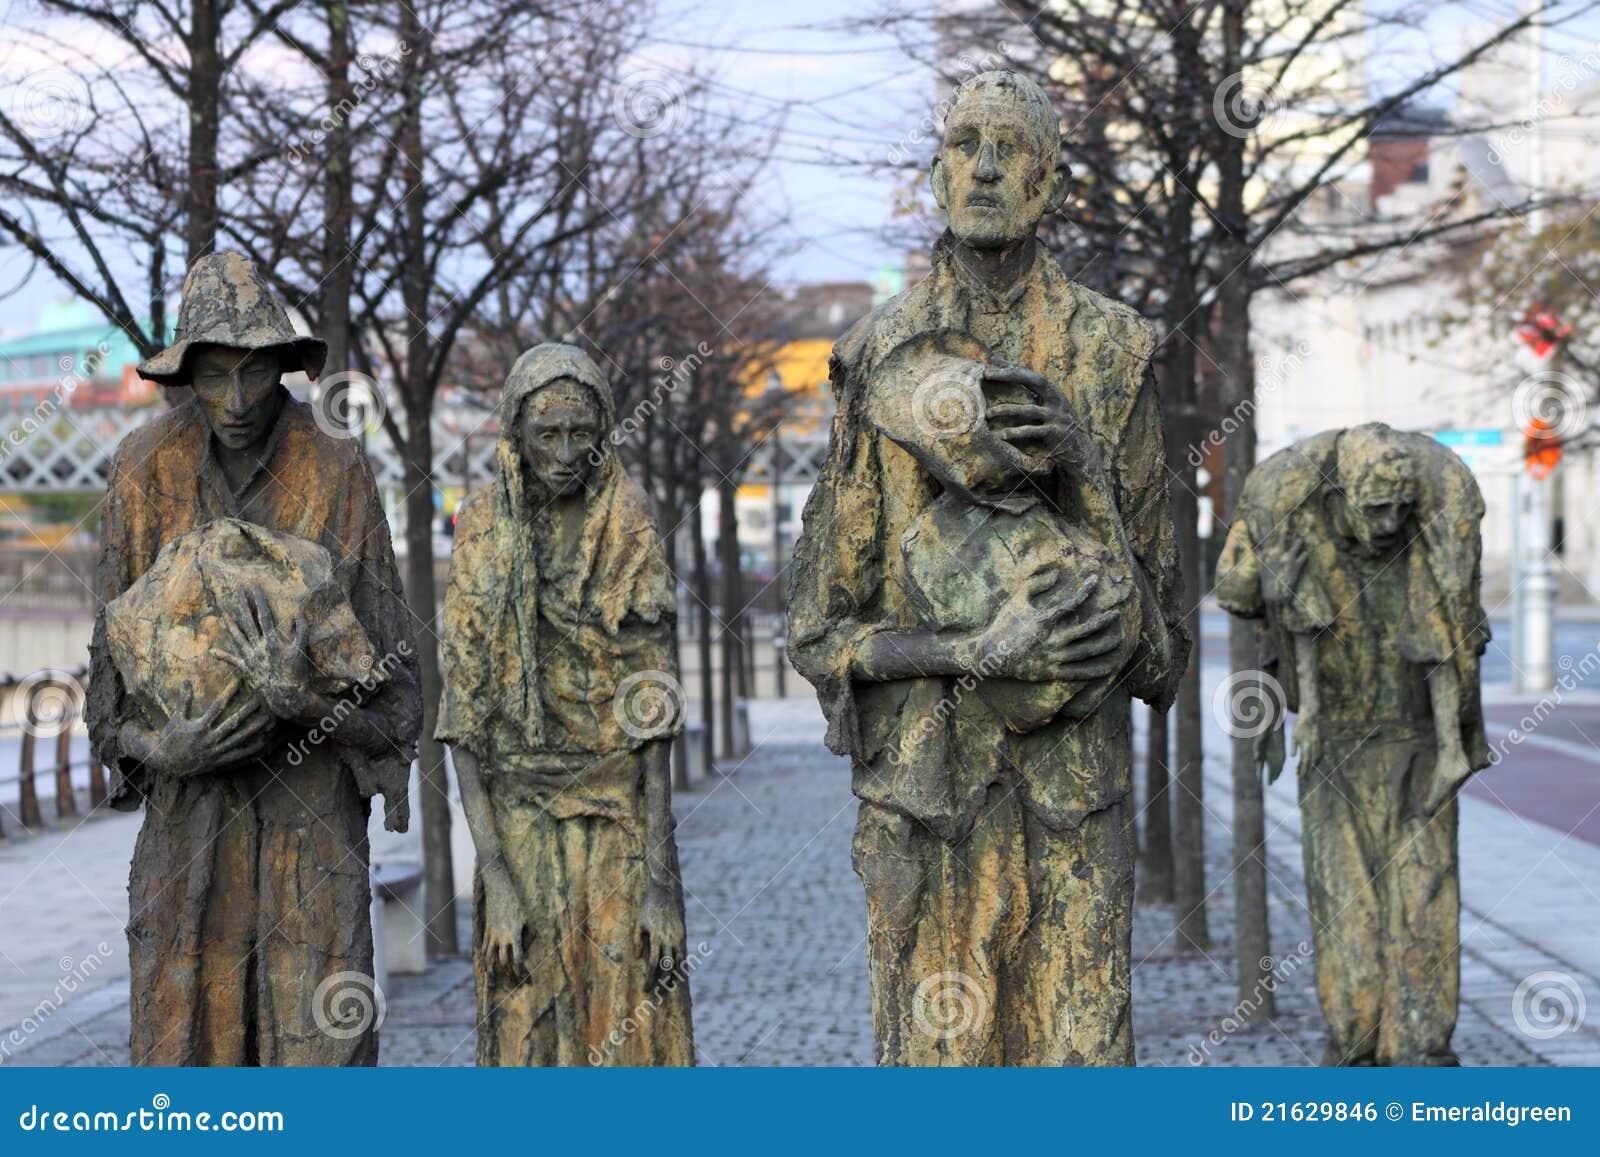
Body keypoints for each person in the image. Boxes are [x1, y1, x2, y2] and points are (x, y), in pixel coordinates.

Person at [788, 70, 1188, 1065]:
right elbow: (822, 632)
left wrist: (1082, 470)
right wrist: (971, 652)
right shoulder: (877, 355)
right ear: (937, 176)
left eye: (1012, 148)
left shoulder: (1115, 350)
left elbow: (1163, 658)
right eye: (965, 144)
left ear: (1051, 182)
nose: (987, 168)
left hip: (1074, 800)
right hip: (925, 800)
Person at [85, 252, 420, 1066]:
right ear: (186, 375)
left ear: (283, 367)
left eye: (256, 373)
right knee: (183, 1058)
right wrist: (164, 748)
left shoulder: (336, 466)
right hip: (187, 828)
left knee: (321, 1051)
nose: (236, 402)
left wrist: (306, 703)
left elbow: (398, 696)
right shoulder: (143, 468)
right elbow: (106, 690)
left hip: (311, 820)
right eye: (213, 376)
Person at [437, 343, 693, 1067]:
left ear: (603, 431)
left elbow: (653, 707)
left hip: (619, 813)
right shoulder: (483, 525)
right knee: (526, 1023)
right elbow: (464, 715)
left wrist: (661, 883)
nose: (564, 452)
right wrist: (493, 876)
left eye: (581, 432)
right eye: (546, 433)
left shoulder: (627, 519)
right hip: (518, 814)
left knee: (630, 1016)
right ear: (516, 433)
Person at [1215, 421, 1489, 1066]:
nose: (1390, 523)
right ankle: (1354, 1042)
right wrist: (1272, 587)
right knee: (1346, 906)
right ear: (1340, 497)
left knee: (1425, 896)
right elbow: (1233, 589)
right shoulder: (1292, 522)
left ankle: (1422, 1048)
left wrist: (1454, 742)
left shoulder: (1427, 543)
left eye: (1400, 507)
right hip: (1333, 747)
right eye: (1376, 508)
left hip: (1418, 744)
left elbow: (1455, 634)